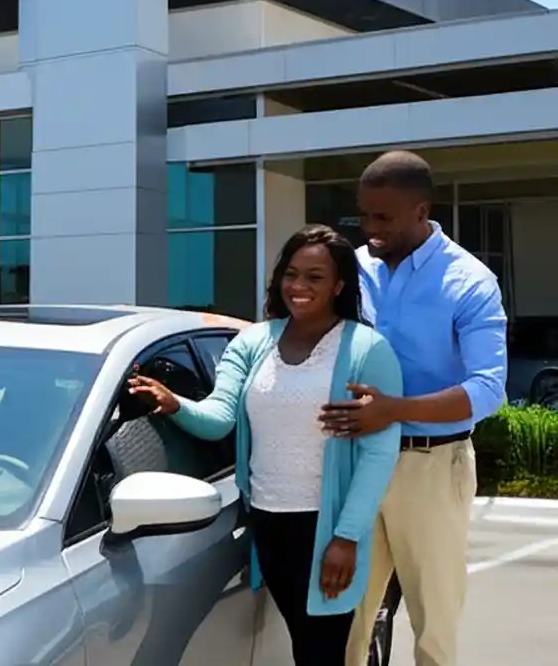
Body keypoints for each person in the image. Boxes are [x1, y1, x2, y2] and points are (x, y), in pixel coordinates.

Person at [129, 224, 404, 666]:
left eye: (315, 277)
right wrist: (174, 403)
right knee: (301, 640)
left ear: (339, 285)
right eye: (291, 274)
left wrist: (346, 538)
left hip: (328, 527)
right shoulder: (254, 342)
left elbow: (379, 452)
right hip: (270, 523)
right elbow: (220, 419)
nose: (299, 286)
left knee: (321, 650)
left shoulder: (367, 349)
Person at [327, 151, 508, 666]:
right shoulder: (355, 270)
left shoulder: (468, 282)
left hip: (431, 467)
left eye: (382, 217)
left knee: (433, 627)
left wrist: (394, 409)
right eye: (363, 215)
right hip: (355, 461)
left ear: (421, 210)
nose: (369, 229)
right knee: (343, 620)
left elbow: (488, 388)